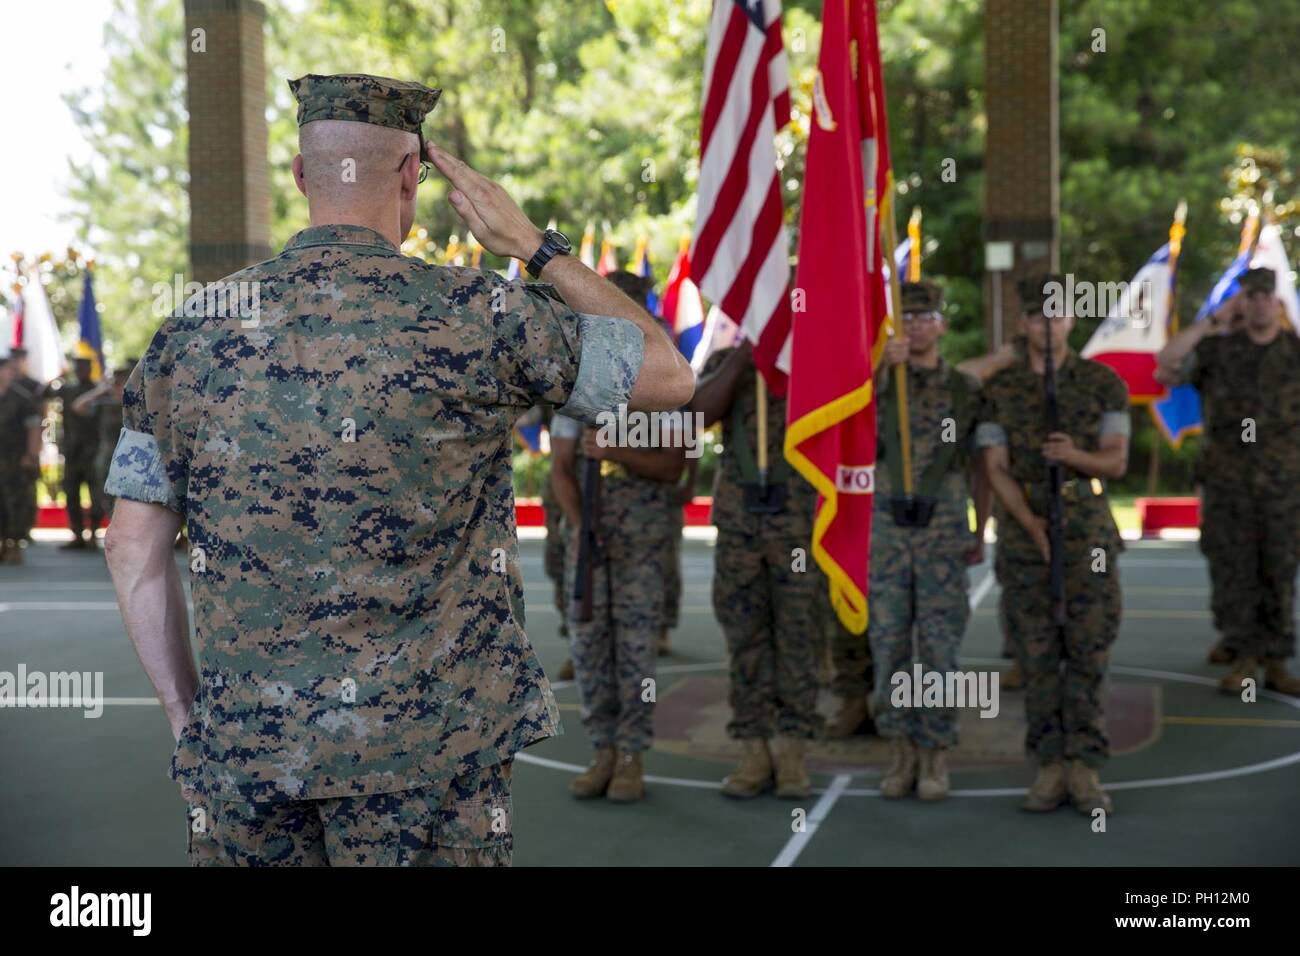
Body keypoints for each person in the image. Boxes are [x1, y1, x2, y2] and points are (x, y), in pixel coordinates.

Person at [102, 73, 693, 867]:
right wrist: (534, 246)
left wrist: (186, 717)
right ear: (413, 176)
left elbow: (130, 547)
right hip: (433, 764)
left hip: (246, 757)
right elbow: (668, 376)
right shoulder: (481, 316)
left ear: (303, 176)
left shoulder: (191, 332)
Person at [976, 273, 1130, 815]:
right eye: (1038, 314)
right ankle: (1047, 767)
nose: (1049, 322)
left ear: (1072, 318)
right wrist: (1029, 521)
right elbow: (994, 467)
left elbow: (1114, 460)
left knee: (1087, 650)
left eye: (1058, 313)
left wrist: (1075, 458)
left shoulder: (1102, 382)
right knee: (1037, 655)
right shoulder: (1002, 388)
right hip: (1024, 535)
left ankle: (1084, 768)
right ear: (1024, 323)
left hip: (1086, 527)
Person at [868, 282, 989, 800]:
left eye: (926, 316)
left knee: (939, 651)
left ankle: (935, 754)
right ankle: (900, 753)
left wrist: (980, 528)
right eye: (908, 317)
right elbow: (846, 436)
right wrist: (876, 373)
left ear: (942, 324)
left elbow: (982, 466)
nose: (917, 325)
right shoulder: (874, 384)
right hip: (887, 535)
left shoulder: (964, 390)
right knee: (890, 645)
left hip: (941, 535)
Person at [1155, 267, 1300, 696]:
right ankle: (1243, 658)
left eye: (1264, 296)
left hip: (1283, 487)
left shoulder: (1295, 352)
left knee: (1280, 571)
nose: (1258, 304)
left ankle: (1275, 661)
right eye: (1250, 296)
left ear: (1276, 302)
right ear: (1241, 301)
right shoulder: (1218, 350)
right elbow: (1166, 366)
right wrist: (1213, 320)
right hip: (1228, 485)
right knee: (1234, 572)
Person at [691, 340, 820, 799]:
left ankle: (792, 752)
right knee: (745, 641)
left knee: (799, 640)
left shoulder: (814, 356)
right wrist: (743, 358)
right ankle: (753, 749)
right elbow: (696, 417)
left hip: (799, 527)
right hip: (740, 527)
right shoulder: (730, 359)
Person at [549, 407, 684, 802]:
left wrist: (618, 451)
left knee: (637, 651)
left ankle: (631, 756)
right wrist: (583, 527)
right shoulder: (578, 393)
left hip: (641, 544)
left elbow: (672, 465)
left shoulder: (665, 392)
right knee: (588, 648)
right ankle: (602, 752)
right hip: (588, 541)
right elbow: (560, 468)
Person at [72, 361, 135, 516]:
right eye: (117, 383)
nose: (119, 387)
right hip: (107, 459)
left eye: (123, 382)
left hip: (132, 461)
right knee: (106, 501)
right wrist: (100, 391)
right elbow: (77, 406)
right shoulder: (104, 405)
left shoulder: (136, 407)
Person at [57, 357, 104, 548]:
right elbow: (43, 394)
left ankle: (93, 532)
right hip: (72, 450)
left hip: (92, 451)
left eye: (84, 368)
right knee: (71, 492)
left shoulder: (98, 392)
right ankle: (77, 534)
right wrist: (57, 375)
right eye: (78, 368)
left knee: (95, 493)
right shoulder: (68, 390)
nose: (80, 371)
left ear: (90, 369)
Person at [0, 355, 41, 564]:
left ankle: (14, 543)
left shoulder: (22, 398)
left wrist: (32, 454)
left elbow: (34, 427)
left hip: (15, 459)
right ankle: (2, 544)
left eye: (4, 369)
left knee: (15, 501)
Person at [8, 348, 44, 541]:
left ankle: (24, 528)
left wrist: (34, 450)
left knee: (26, 488)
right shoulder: (6, 387)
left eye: (19, 359)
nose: (15, 363)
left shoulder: (31, 387)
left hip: (23, 449)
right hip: (6, 450)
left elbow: (39, 417)